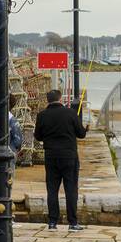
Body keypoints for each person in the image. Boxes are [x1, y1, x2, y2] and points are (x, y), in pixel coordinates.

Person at [33, 89, 88, 231]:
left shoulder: (42, 115)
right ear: (60, 99)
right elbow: (81, 134)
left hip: (51, 156)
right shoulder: (70, 113)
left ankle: (52, 222)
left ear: (48, 100)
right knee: (71, 189)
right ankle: (73, 223)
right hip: (69, 156)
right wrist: (85, 128)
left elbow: (38, 136)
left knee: (52, 189)